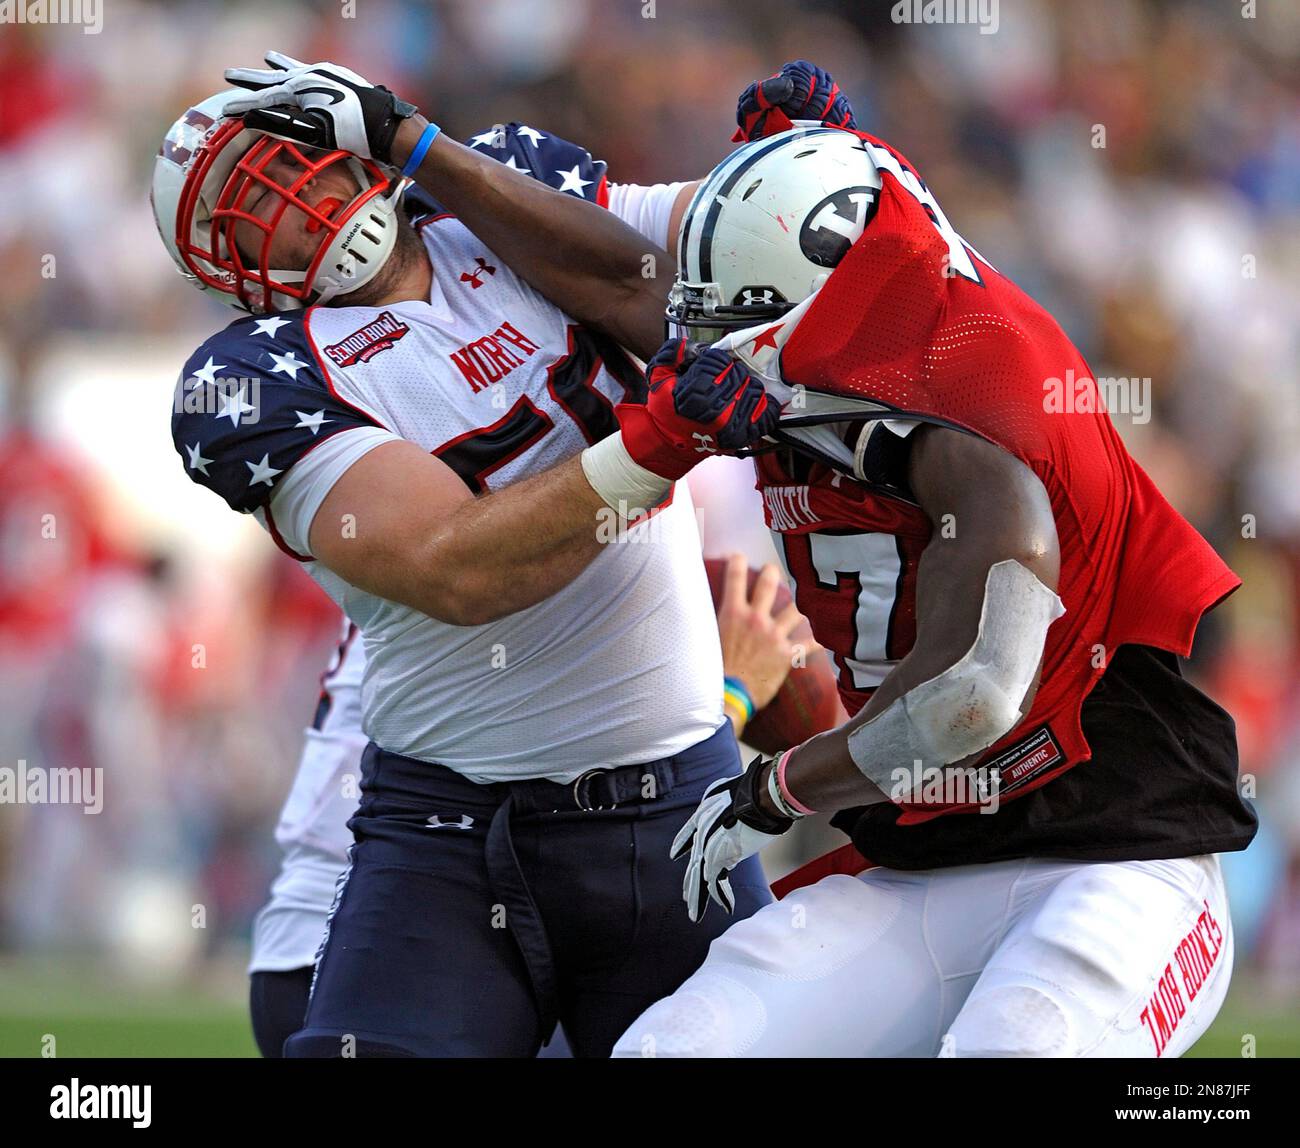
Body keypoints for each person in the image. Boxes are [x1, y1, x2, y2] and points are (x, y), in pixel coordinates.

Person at [156, 52, 846, 1056]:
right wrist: (664, 439)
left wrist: (816, 170)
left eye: (281, 168)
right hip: (449, 831)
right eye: (237, 203)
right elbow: (460, 568)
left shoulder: (503, 185)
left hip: (665, 808)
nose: (281, 205)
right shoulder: (248, 376)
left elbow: (710, 265)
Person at [606, 62, 1258, 1058]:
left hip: (1123, 857)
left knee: (1020, 1045)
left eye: (746, 317)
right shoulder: (840, 365)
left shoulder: (991, 413)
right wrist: (419, 154)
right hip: (923, 870)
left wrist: (776, 789)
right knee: (676, 1046)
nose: (714, 343)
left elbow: (971, 696)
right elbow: (619, 271)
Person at [247, 556, 820, 1057]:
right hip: (386, 952)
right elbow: (561, 761)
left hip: (332, 946)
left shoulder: (434, 547)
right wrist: (729, 696)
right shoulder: (486, 580)